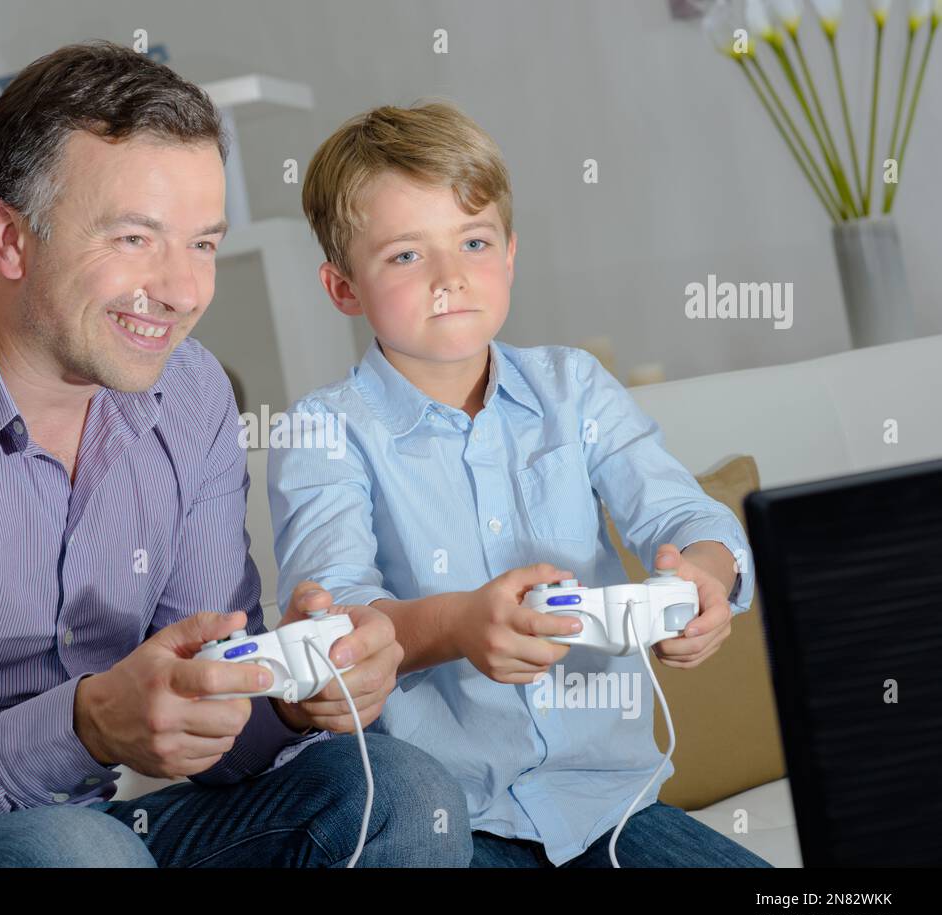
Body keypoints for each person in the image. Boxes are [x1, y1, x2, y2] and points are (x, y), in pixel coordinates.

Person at [0, 43, 471, 869]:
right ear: (10, 237)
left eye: (202, 243)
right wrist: (87, 723)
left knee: (398, 798)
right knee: (78, 854)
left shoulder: (192, 391)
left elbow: (213, 718)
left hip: (95, 836)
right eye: (136, 238)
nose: (181, 291)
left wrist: (293, 690)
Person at [268, 101, 771, 867]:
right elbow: (338, 629)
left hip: (615, 806)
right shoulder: (322, 431)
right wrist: (459, 624)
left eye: (474, 242)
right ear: (343, 288)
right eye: (406, 256)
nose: (450, 278)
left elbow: (679, 513)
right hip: (450, 825)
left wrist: (706, 575)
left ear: (509, 256)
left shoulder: (576, 389)